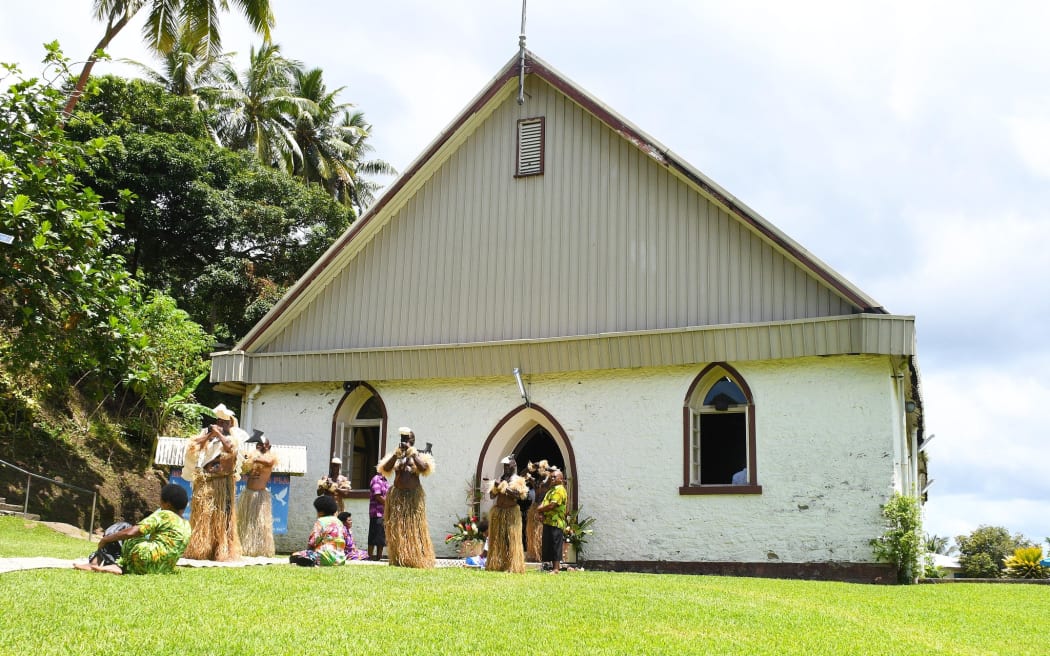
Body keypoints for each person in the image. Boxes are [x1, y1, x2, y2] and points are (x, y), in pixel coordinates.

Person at [74, 484, 190, 575]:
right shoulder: (187, 525)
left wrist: (106, 539)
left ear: (168, 504)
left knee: (123, 527)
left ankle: (96, 562)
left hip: (143, 558)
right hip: (162, 568)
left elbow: (133, 531)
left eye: (161, 502)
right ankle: (120, 567)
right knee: (129, 535)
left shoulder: (165, 514)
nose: (160, 505)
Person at [182, 403, 245, 561]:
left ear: (230, 423)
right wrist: (210, 434)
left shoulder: (233, 437)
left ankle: (222, 550)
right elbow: (193, 446)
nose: (221, 424)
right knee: (203, 517)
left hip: (222, 484)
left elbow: (230, 448)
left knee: (223, 517)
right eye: (219, 421)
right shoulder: (208, 436)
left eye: (225, 422)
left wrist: (219, 434)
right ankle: (201, 549)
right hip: (205, 481)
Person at [377, 426, 436, 568]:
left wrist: (412, 454)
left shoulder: (419, 455)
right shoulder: (397, 456)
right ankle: (399, 558)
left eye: (407, 439)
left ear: (413, 440)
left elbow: (424, 468)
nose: (404, 441)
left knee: (414, 528)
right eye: (402, 438)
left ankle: (416, 558)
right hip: (397, 497)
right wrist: (395, 455)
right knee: (398, 528)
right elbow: (385, 469)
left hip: (413, 498)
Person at [236, 431, 278, 557]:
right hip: (248, 494)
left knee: (259, 523)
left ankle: (260, 549)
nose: (259, 446)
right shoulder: (253, 459)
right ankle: (245, 547)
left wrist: (251, 456)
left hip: (259, 496)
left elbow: (268, 462)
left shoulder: (271, 458)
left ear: (269, 446)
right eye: (258, 444)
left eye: (262, 444)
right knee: (246, 522)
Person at [486, 454, 528, 573]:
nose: (506, 468)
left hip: (511, 513)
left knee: (511, 540)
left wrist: (504, 487)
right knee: (498, 539)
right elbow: (492, 496)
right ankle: (499, 564)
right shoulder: (500, 478)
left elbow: (518, 496)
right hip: (498, 512)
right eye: (504, 466)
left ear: (513, 466)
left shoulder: (518, 480)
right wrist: (496, 486)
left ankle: (512, 566)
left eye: (508, 466)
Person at [290, 495, 346, 566]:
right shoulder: (339, 522)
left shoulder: (321, 521)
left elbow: (313, 541)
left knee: (294, 555)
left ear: (321, 512)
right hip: (340, 559)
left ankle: (311, 561)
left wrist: (308, 552)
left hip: (324, 557)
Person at [536, 468, 568, 574]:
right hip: (548, 521)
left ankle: (556, 569)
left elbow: (552, 505)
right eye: (552, 477)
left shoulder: (560, 490)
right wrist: (540, 513)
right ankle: (550, 566)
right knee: (548, 544)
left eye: (555, 477)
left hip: (556, 522)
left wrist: (539, 510)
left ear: (561, 479)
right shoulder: (551, 490)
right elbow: (543, 502)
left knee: (555, 545)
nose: (552, 478)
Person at [524, 460, 551, 562]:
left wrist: (542, 465)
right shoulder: (535, 481)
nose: (540, 470)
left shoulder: (548, 481)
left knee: (542, 533)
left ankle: (543, 555)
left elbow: (553, 472)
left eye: (541, 468)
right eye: (539, 469)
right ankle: (535, 555)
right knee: (533, 533)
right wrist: (531, 467)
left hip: (543, 509)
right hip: (534, 508)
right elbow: (522, 474)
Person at [367, 469, 389, 561]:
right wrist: (389, 505)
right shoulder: (376, 479)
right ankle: (370, 556)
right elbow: (378, 496)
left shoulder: (385, 480)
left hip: (383, 512)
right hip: (376, 512)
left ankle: (378, 557)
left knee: (381, 536)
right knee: (373, 535)